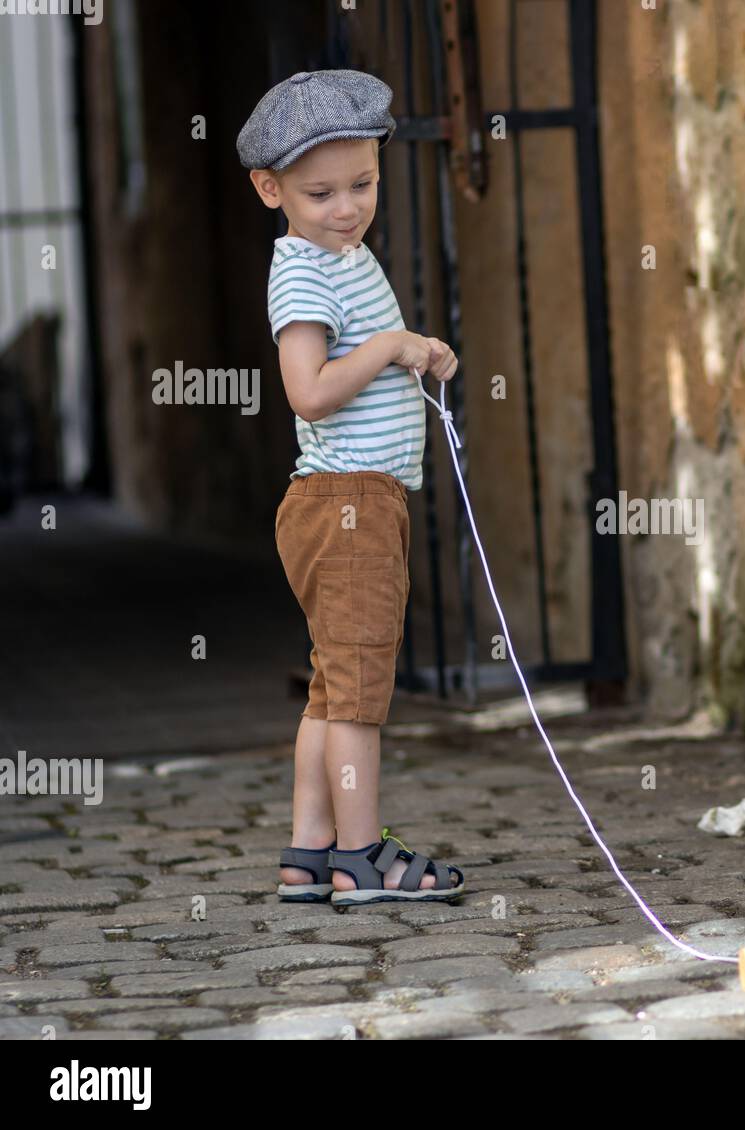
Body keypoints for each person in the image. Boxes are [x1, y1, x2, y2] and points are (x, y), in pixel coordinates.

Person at [237, 68, 465, 904]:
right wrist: (394, 346)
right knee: (362, 695)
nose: (347, 206)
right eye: (320, 191)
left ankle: (310, 850)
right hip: (346, 505)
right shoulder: (302, 272)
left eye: (362, 184)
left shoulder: (344, 257)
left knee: (333, 687)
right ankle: (363, 857)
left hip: (356, 501)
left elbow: (370, 359)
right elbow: (310, 389)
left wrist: (415, 350)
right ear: (272, 189)